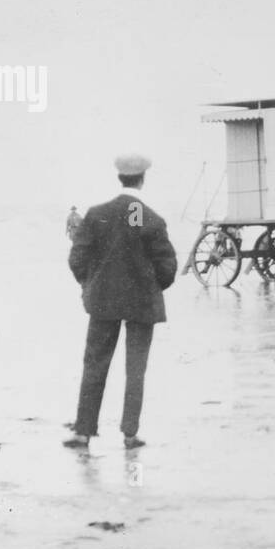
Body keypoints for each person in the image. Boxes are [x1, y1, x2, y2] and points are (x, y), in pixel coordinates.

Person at [66, 154, 177, 449]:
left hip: (103, 302)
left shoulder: (96, 214)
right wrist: (151, 286)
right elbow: (167, 268)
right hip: (143, 304)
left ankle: (83, 432)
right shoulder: (147, 217)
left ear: (120, 178)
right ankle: (129, 434)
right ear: (142, 179)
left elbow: (77, 258)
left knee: (94, 365)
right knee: (135, 369)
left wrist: (90, 285)